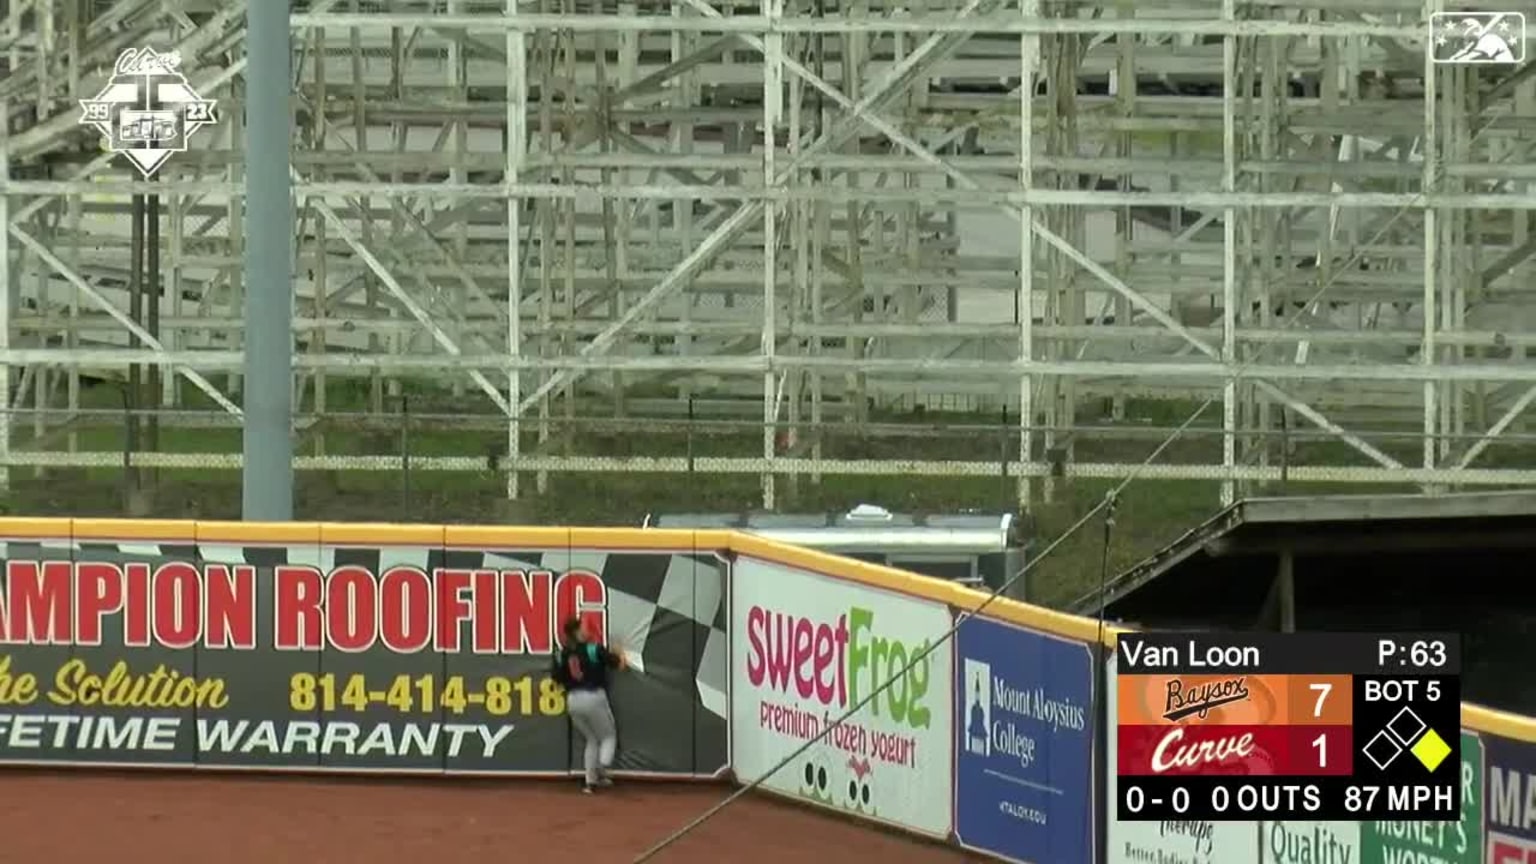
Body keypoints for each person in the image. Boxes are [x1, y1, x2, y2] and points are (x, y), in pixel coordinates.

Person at [552, 615, 625, 794]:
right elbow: (618, 664)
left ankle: (591, 782)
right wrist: (619, 651)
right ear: (577, 632)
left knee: (592, 739)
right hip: (594, 697)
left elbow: (556, 679)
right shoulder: (593, 648)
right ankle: (604, 765)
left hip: (572, 700)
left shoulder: (561, 653)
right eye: (582, 628)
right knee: (608, 736)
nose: (586, 631)